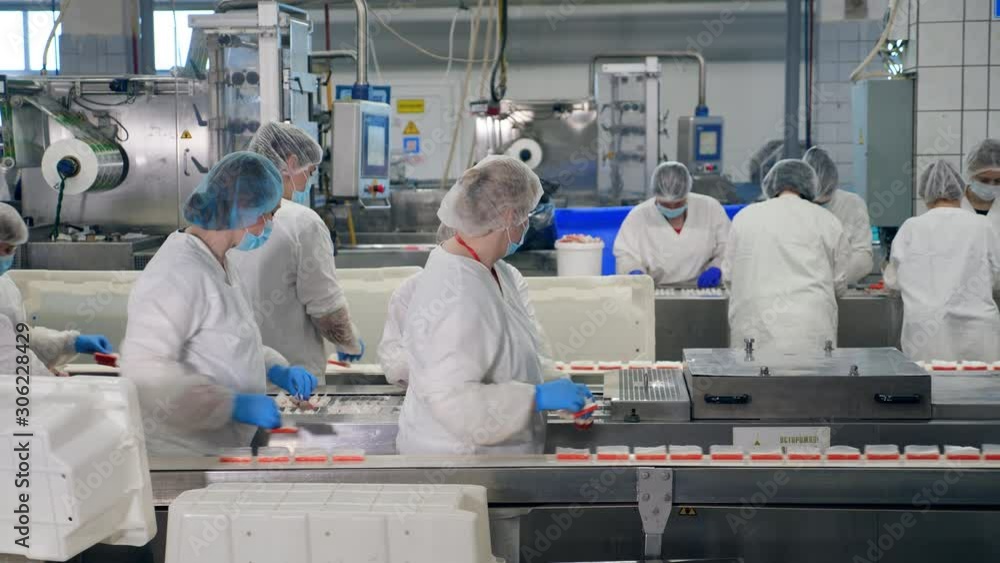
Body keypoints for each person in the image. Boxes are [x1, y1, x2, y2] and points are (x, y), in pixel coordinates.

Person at [120, 152, 318, 456]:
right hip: (182, 453)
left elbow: (229, 345)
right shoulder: (176, 274)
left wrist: (277, 369)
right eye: (267, 214)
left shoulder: (219, 263)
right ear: (241, 209)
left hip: (221, 448)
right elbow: (145, 375)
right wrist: (231, 405)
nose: (269, 224)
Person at [396, 156, 592, 455]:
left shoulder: (494, 270)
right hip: (460, 462)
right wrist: (536, 398)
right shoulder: (455, 292)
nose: (527, 224)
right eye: (526, 214)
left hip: (495, 459)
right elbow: (454, 402)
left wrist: (556, 388)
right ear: (509, 215)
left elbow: (520, 350)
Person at [230, 122, 363, 380]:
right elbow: (326, 309)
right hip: (295, 382)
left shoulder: (229, 216)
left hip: (237, 376)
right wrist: (349, 342)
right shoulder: (304, 222)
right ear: (290, 163)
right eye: (309, 172)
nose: (306, 185)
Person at [379, 228, 556, 389]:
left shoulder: (509, 278)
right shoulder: (410, 290)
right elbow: (394, 363)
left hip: (504, 402)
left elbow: (531, 344)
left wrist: (552, 381)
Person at [723, 159, 850, 352]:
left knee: (753, 381)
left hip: (756, 326)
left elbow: (729, 276)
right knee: (812, 381)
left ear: (771, 185)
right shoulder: (827, 221)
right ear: (810, 186)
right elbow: (839, 282)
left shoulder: (745, 217)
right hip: (810, 329)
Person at [884, 160, 1000, 362]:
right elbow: (997, 275)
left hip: (926, 334)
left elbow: (893, 282)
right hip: (977, 332)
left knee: (933, 389)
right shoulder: (982, 226)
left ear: (924, 193)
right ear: (960, 190)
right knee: (979, 390)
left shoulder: (911, 227)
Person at [0, 203, 112, 375]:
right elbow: (8, 360)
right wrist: (50, 382)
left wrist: (69, 343)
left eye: (13, 250)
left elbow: (20, 338)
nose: (9, 257)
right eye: (6, 249)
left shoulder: (5, 286)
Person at [614, 162, 730, 287]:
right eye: (665, 205)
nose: (672, 208)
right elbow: (625, 254)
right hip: (654, 290)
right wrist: (634, 272)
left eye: (678, 204)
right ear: (656, 196)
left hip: (703, 289)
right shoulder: (638, 216)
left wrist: (717, 268)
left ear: (686, 194)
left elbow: (729, 248)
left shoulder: (709, 209)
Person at [803, 146, 874, 284]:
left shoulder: (852, 204)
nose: (819, 206)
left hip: (842, 289)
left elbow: (863, 256)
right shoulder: (796, 208)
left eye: (825, 200)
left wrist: (834, 282)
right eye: (815, 202)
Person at [963, 139, 1000, 233]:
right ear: (970, 175)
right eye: (984, 180)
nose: (991, 186)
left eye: (998, 181)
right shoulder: (953, 205)